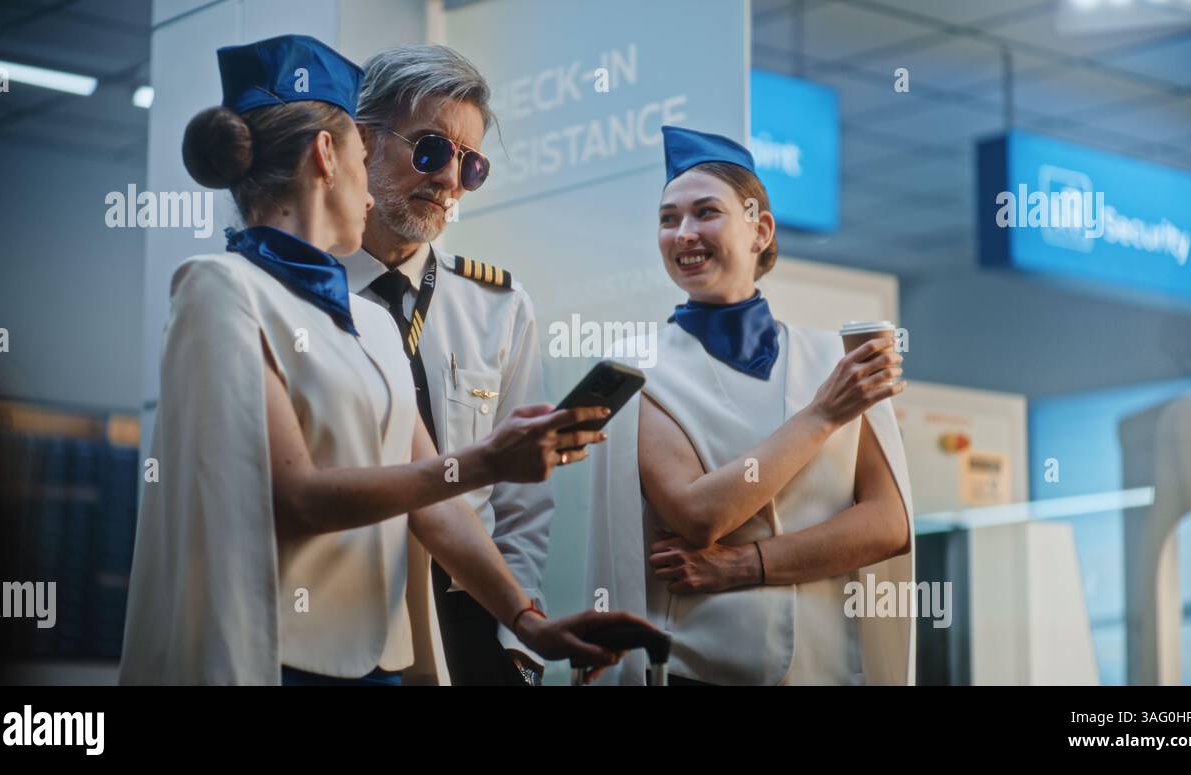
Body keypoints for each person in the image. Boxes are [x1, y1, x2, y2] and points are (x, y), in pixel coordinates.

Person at [119, 34, 644, 686]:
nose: (450, 180)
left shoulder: (367, 320)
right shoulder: (221, 288)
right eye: (385, 158)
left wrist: (529, 620)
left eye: (471, 166)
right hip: (275, 652)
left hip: (388, 658)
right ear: (330, 154)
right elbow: (299, 499)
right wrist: (489, 460)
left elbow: (440, 501)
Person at [586, 126, 916, 686]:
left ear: (760, 229)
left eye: (705, 213)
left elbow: (888, 522)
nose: (683, 233)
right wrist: (822, 415)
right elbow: (697, 516)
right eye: (668, 219)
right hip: (697, 672)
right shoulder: (637, 367)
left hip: (830, 670)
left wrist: (745, 564)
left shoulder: (830, 357)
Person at [340, 45, 551, 685]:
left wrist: (518, 640)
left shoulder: (500, 307)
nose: (450, 182)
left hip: (470, 613)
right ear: (361, 142)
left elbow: (523, 505)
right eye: (431, 150)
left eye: (472, 165)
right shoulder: (301, 301)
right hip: (347, 616)